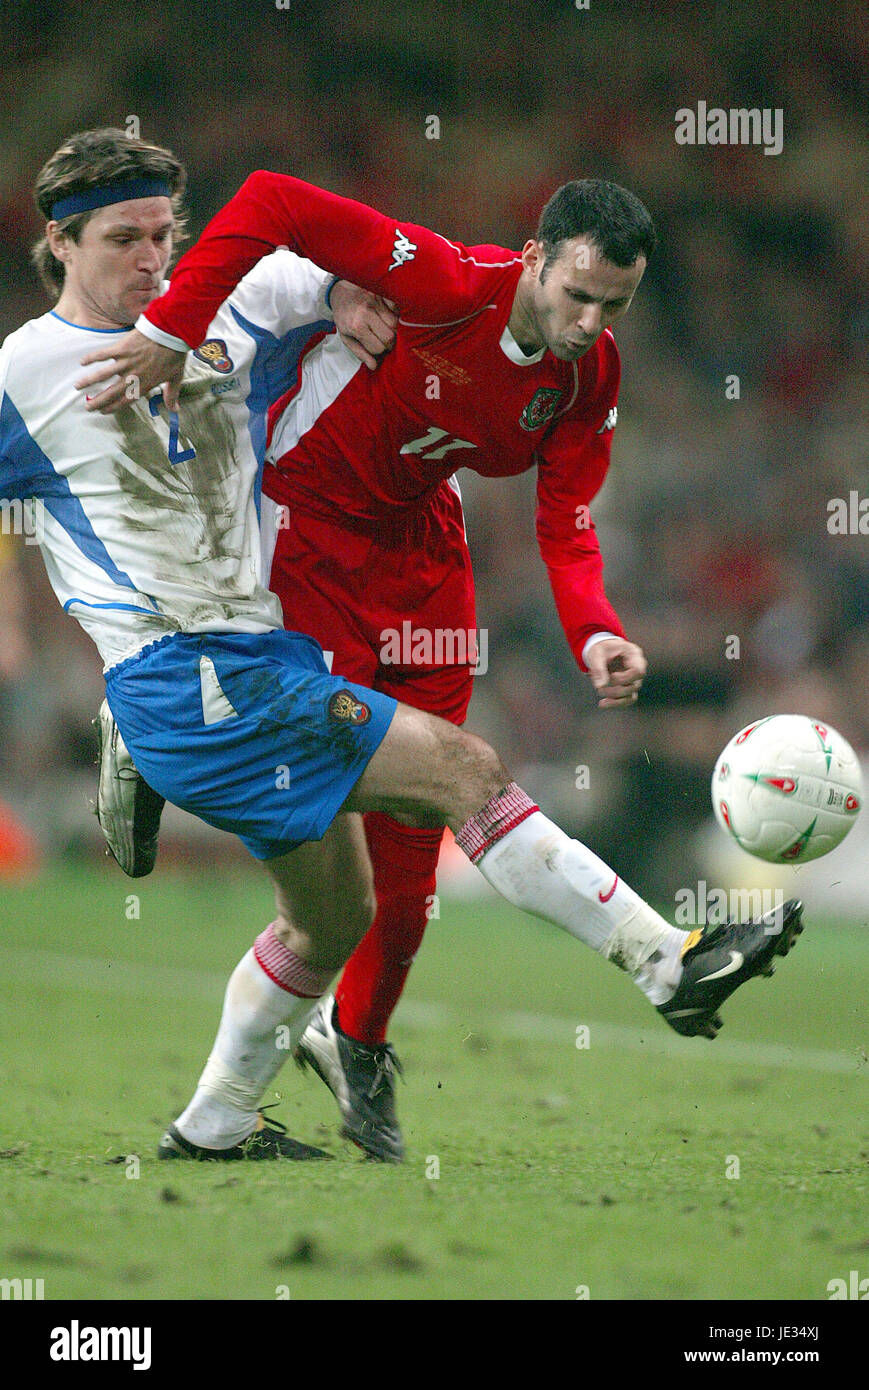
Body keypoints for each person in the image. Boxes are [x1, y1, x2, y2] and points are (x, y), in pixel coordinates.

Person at [44, 149, 803, 1163]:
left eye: (612, 307)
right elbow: (273, 198)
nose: (587, 324)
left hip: (423, 563)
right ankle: (663, 959)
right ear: (533, 259)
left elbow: (566, 514)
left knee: (403, 883)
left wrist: (594, 628)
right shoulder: (443, 281)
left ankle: (347, 1047)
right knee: (417, 795)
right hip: (305, 548)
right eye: (576, 295)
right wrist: (168, 330)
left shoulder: (592, 372)